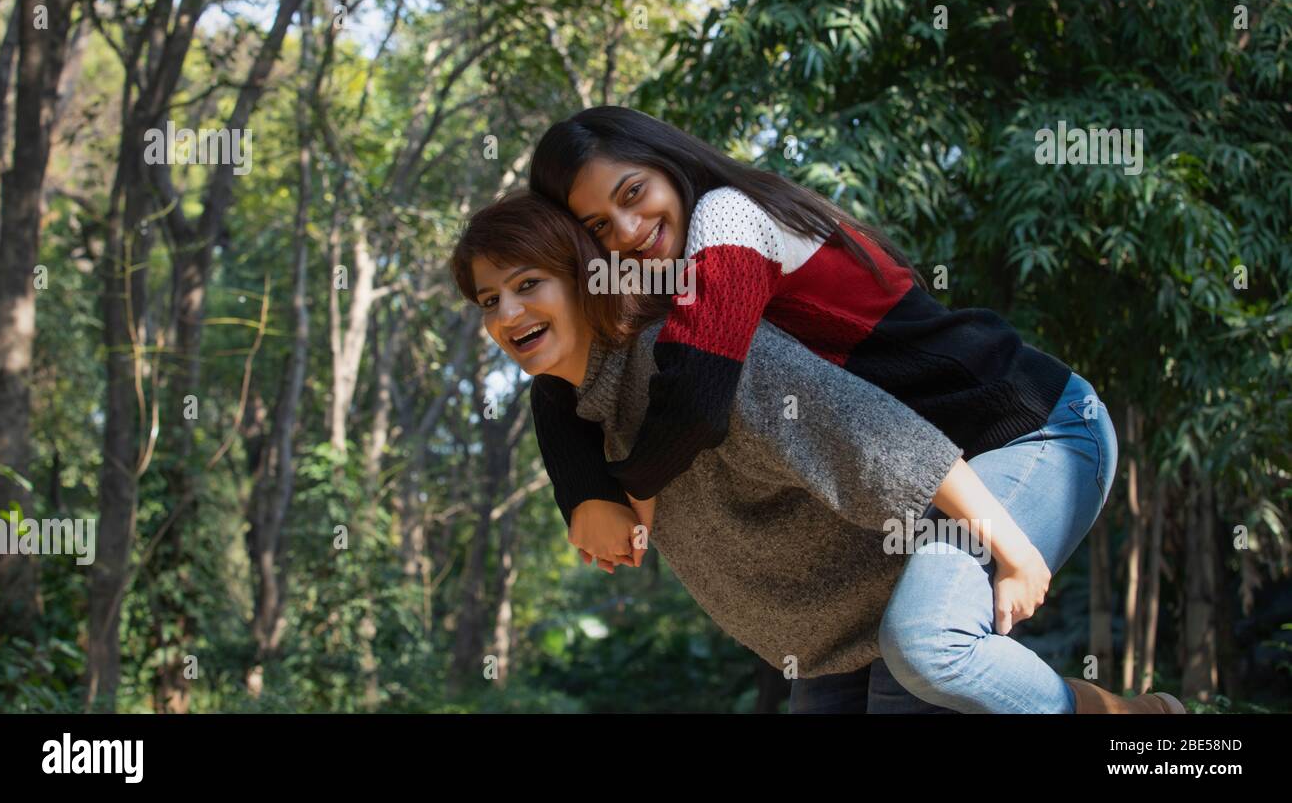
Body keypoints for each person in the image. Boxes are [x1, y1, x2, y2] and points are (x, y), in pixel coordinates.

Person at [448, 190, 1185, 713]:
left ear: (585, 275)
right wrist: (585, 496)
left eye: (527, 284)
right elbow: (558, 404)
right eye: (488, 301)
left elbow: (882, 441)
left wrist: (1013, 551)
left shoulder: (697, 357)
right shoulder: (579, 413)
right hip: (830, 644)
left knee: (928, 651)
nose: (509, 314)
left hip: (956, 522)